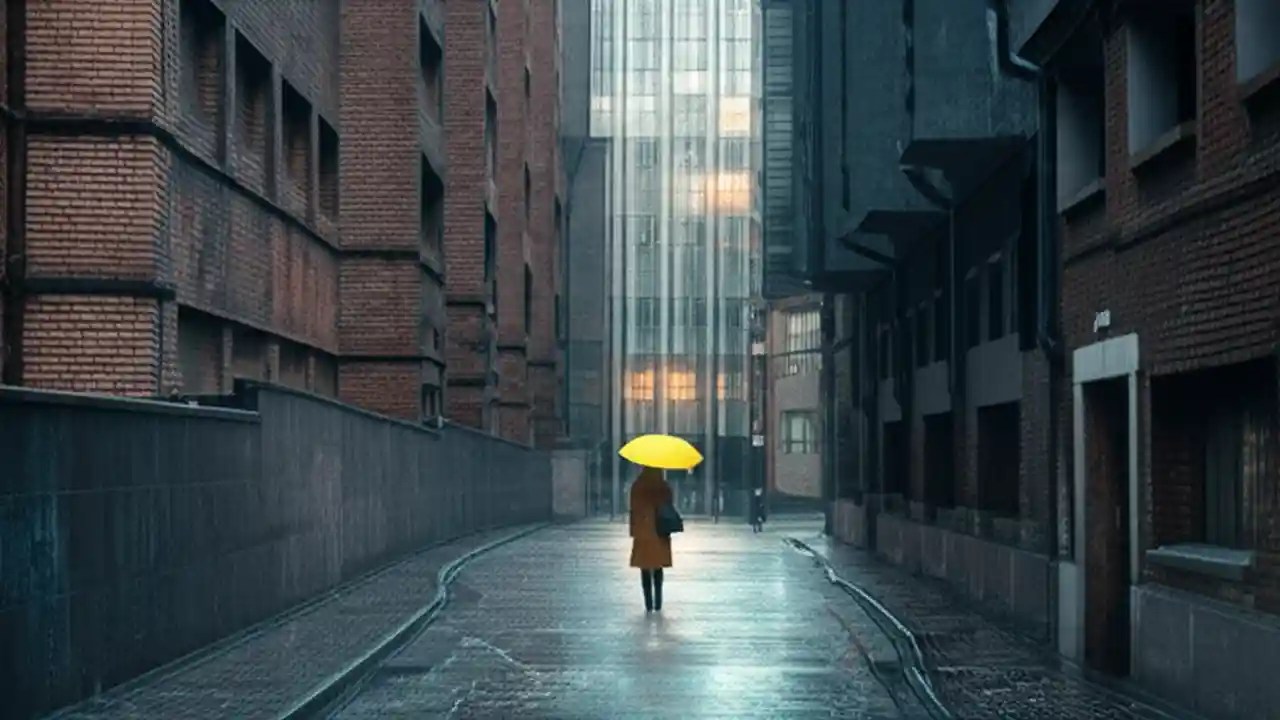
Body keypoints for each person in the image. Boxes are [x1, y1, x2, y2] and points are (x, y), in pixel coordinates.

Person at [629, 467, 674, 612]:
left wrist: (633, 530)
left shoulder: (637, 486)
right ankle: (658, 602)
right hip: (660, 531)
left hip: (643, 532)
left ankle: (648, 603)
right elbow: (669, 505)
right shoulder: (663, 486)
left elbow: (633, 509)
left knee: (645, 568)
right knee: (658, 567)